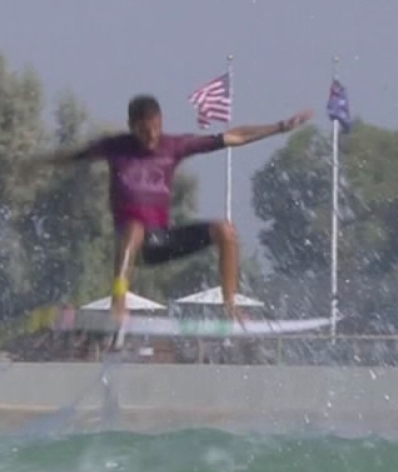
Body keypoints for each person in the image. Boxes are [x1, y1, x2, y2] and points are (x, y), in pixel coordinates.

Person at [34, 94, 311, 331]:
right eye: (144, 131)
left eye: (156, 128)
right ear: (132, 126)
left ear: (161, 122)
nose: (152, 136)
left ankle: (230, 305)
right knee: (134, 228)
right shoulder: (115, 147)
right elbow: (70, 156)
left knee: (225, 230)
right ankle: (119, 302)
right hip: (132, 247)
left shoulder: (173, 146)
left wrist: (280, 127)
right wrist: (34, 165)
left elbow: (235, 136)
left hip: (163, 240)